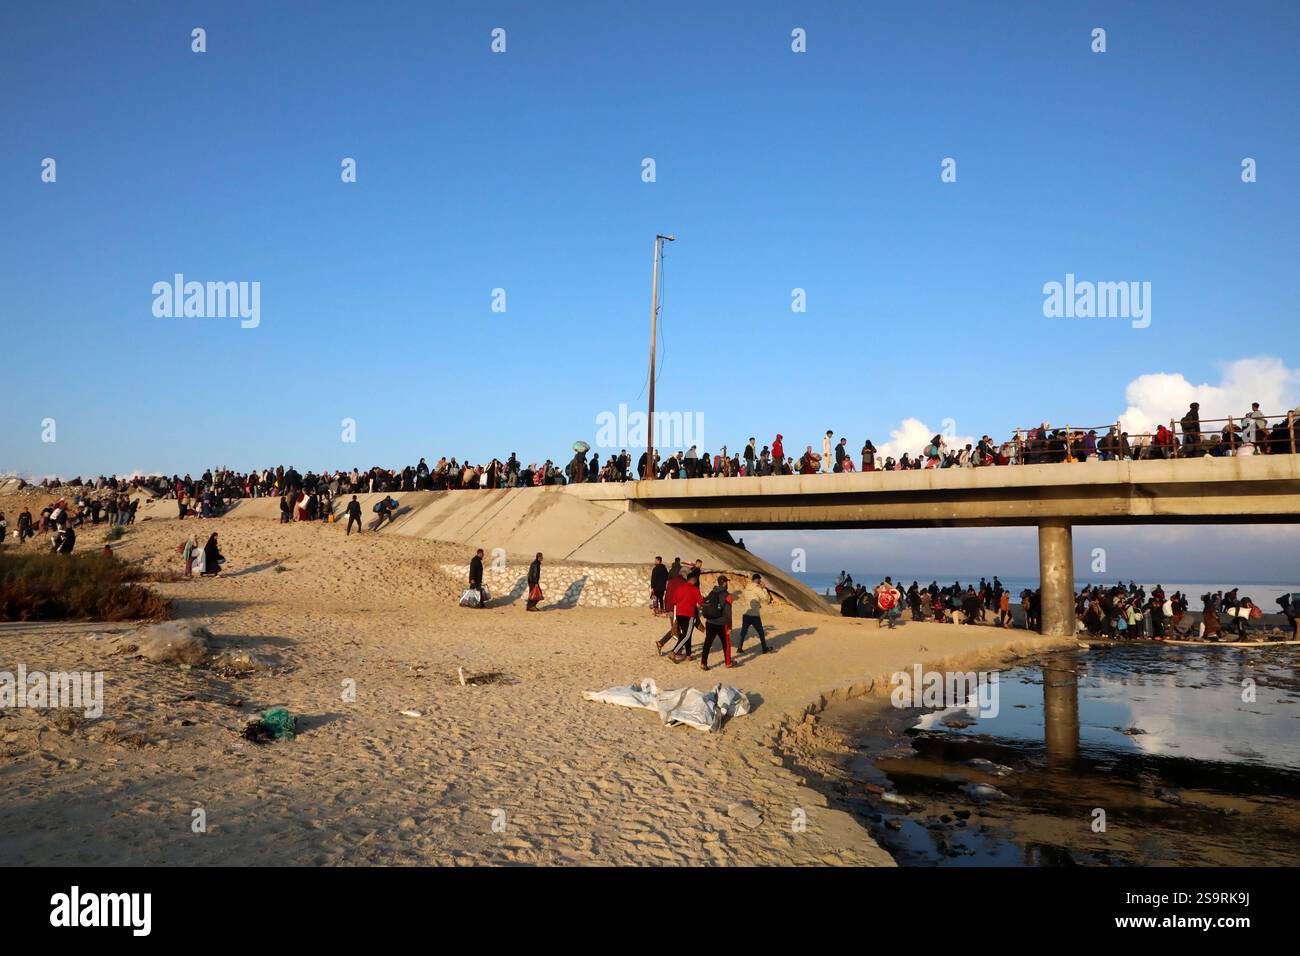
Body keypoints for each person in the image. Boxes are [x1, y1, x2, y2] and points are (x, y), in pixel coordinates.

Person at [666, 570, 703, 663]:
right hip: (689, 615)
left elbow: (674, 601)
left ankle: (688, 655)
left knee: (686, 634)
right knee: (686, 635)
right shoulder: (695, 589)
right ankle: (673, 652)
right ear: (694, 580)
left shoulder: (680, 588)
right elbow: (701, 603)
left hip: (679, 614)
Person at [699, 574, 734, 671]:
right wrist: (730, 627)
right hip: (722, 623)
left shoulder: (712, 592)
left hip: (710, 622)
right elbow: (728, 613)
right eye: (727, 582)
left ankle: (703, 663)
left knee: (707, 643)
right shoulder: (727, 595)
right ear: (725, 583)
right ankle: (728, 663)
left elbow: (705, 602)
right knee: (726, 644)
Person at [736, 573, 772, 655]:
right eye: (759, 580)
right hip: (754, 614)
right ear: (757, 579)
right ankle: (764, 648)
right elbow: (765, 599)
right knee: (761, 632)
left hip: (746, 613)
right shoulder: (757, 588)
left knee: (743, 631)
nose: (760, 581)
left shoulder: (746, 588)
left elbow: (749, 598)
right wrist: (764, 588)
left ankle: (739, 648)